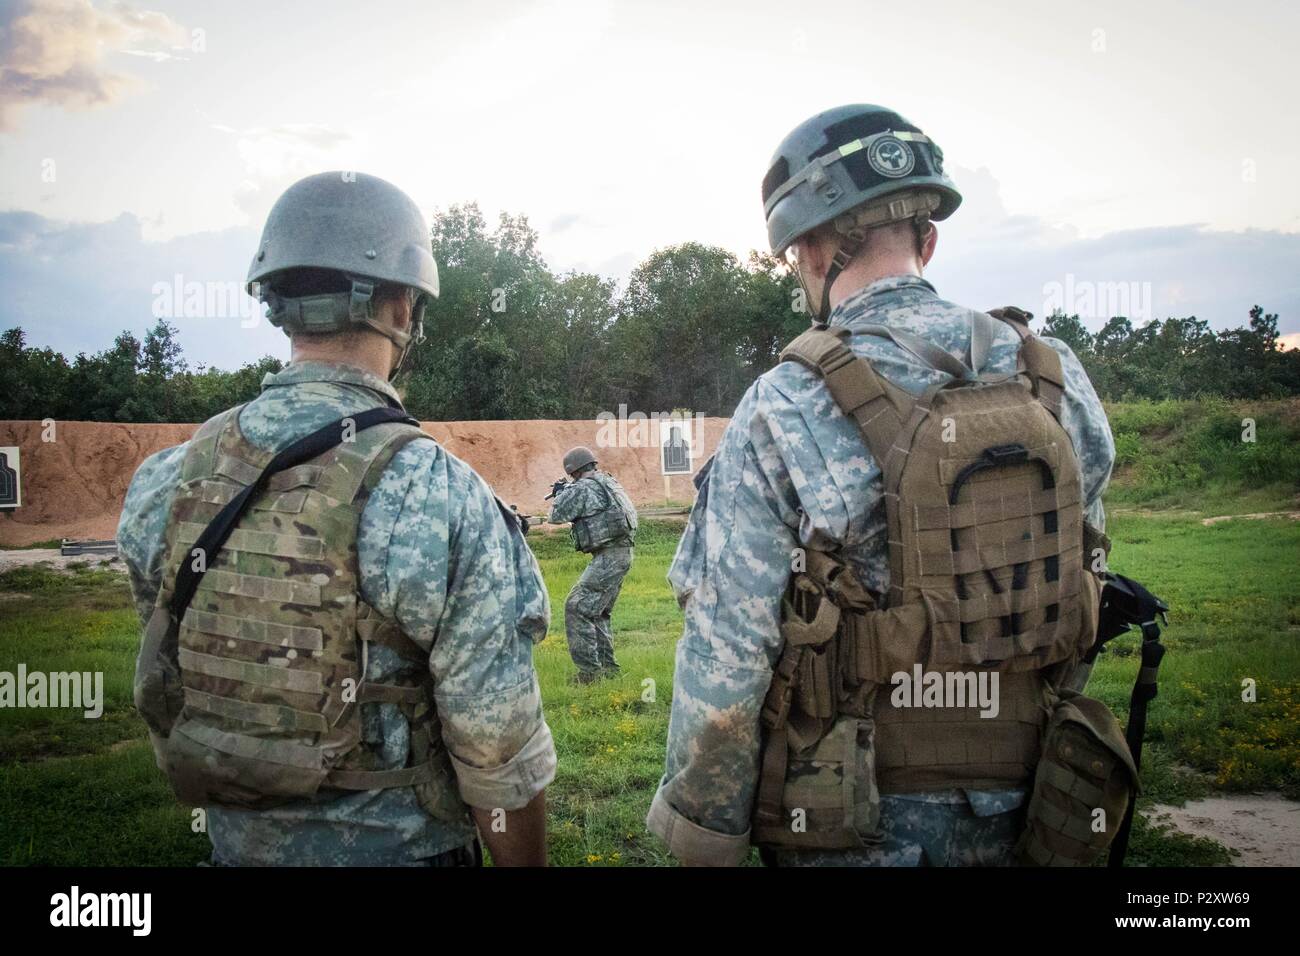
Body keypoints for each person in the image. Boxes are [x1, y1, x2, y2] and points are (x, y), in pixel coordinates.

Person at [647, 105, 1117, 866]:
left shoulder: (785, 400)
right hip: (1041, 800)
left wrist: (705, 832)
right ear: (928, 239)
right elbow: (1083, 577)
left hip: (852, 816)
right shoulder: (1052, 375)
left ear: (807, 249)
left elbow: (727, 646)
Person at [118, 171, 555, 866]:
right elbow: (497, 749)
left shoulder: (165, 483)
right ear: (403, 309)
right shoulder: (435, 492)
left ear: (277, 304)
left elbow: (167, 672)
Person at [547, 446, 638, 684]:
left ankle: (589, 675)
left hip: (610, 556)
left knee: (576, 607)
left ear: (572, 470)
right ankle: (608, 670)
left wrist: (561, 493)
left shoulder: (584, 487)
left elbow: (555, 515)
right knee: (598, 613)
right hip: (622, 553)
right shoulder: (608, 482)